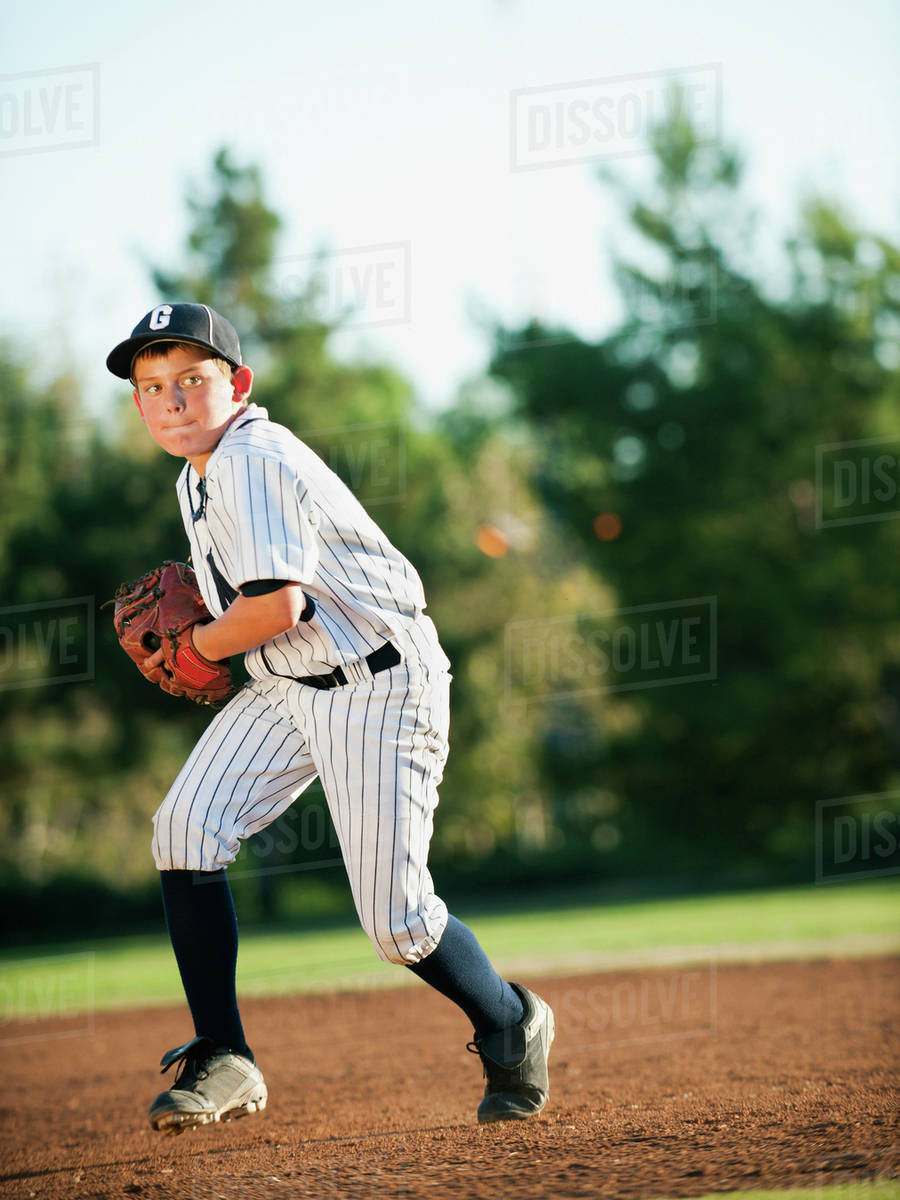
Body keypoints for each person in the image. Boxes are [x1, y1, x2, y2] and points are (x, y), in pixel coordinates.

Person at [106, 302, 555, 1133]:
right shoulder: (196, 473)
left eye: (192, 381)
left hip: (379, 683)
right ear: (138, 404)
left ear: (237, 384)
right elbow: (266, 614)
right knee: (185, 829)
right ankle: (224, 1054)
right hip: (291, 681)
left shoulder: (251, 458)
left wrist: (197, 642)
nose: (171, 401)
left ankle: (509, 1022)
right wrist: (211, 632)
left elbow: (278, 604)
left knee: (398, 924)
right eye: (152, 386)